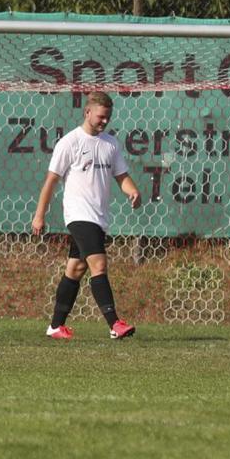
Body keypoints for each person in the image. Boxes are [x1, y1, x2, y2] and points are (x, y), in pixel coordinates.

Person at [32, 91, 140, 341]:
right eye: (101, 117)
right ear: (87, 112)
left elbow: (121, 176)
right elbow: (51, 180)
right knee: (98, 265)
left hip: (99, 217)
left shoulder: (110, 144)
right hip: (79, 215)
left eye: (108, 117)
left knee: (76, 268)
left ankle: (55, 326)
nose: (104, 121)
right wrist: (39, 215)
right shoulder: (70, 142)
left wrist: (133, 191)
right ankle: (114, 324)